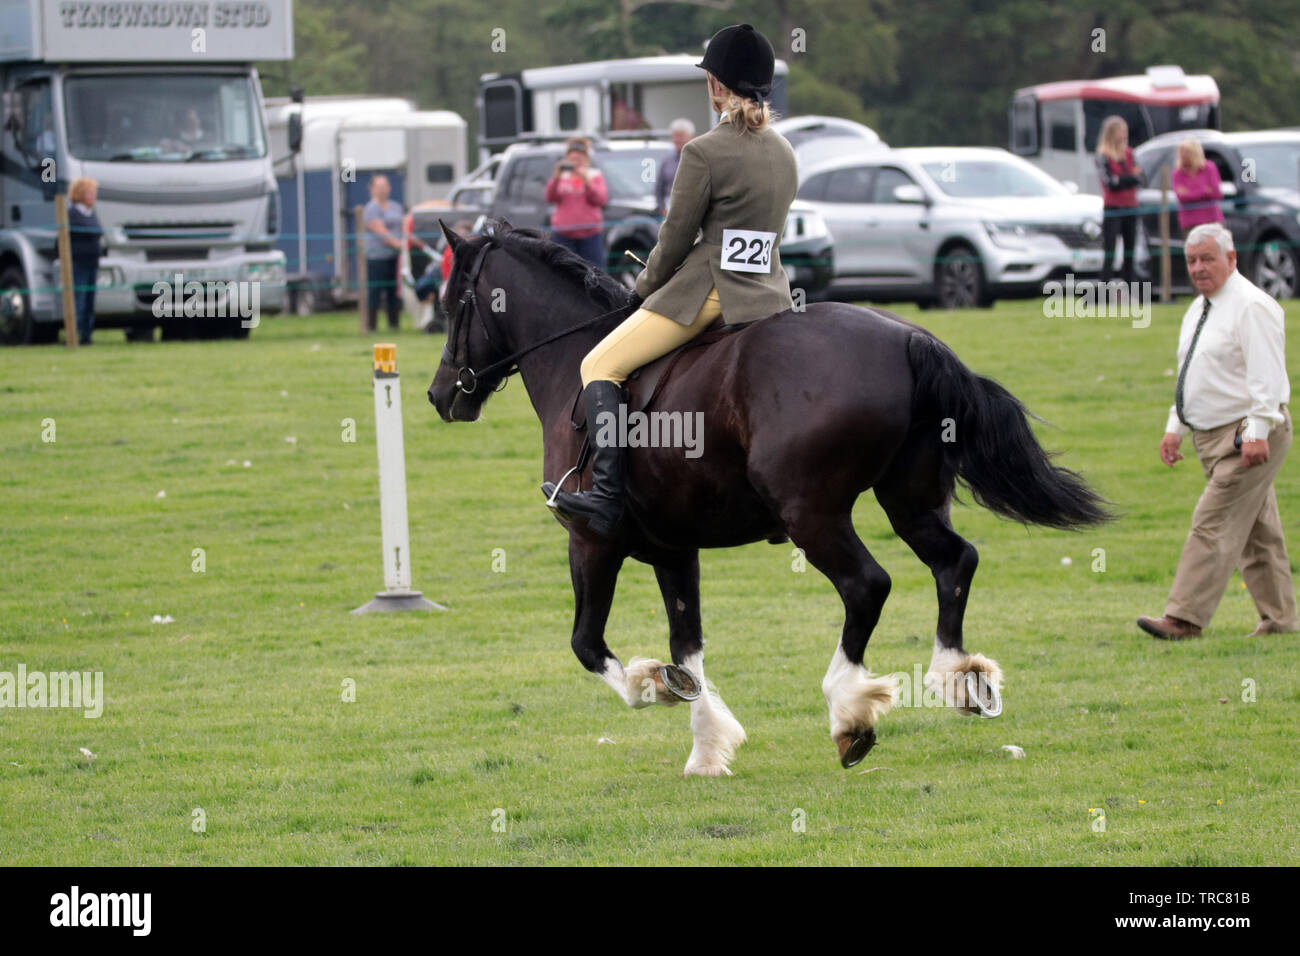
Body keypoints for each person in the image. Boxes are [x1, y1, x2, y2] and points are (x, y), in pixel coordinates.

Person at [543, 23, 797, 539]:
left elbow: (676, 238)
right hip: (767, 293)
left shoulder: (703, 152)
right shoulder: (785, 152)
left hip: (707, 294)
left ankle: (607, 497)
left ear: (718, 85)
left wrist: (642, 288)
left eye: (710, 78)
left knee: (599, 363)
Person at [1137, 223, 1297, 640]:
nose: (1198, 268)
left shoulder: (1251, 305)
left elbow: (1267, 373)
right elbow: (1195, 373)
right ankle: (1281, 622)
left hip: (1247, 432)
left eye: (1207, 258)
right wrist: (1177, 426)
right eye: (1191, 260)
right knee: (1258, 535)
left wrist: (1259, 429)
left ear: (1232, 259)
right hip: (1211, 436)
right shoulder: (1198, 308)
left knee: (1212, 522)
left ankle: (1184, 619)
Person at [544, 138, 608, 268]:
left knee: (594, 270)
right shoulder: (562, 177)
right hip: (563, 234)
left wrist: (586, 180)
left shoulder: (594, 175)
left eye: (579, 159)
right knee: (565, 271)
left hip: (590, 234)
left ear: (586, 159)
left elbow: (601, 199)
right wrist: (555, 178)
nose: (575, 163)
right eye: (572, 160)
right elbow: (550, 197)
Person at [1096, 116, 1142, 284]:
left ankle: (1130, 289)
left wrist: (1121, 179)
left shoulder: (1130, 153)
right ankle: (1104, 291)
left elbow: (1140, 178)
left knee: (1130, 252)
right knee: (1110, 252)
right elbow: (1110, 182)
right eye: (1120, 131)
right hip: (1113, 209)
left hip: (1131, 207)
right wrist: (1129, 178)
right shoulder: (1103, 156)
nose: (1124, 135)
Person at [363, 175, 405, 331]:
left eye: (385, 185)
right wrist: (399, 245)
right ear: (372, 189)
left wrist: (405, 245)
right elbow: (380, 231)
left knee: (393, 291)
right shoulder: (371, 209)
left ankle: (394, 325)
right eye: (379, 186)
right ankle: (371, 326)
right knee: (375, 292)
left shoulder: (396, 207)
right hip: (376, 257)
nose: (382, 189)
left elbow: (404, 226)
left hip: (394, 257)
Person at [67, 177, 103, 346]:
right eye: (90, 192)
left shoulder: (91, 213)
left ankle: (87, 335)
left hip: (92, 263)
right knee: (79, 299)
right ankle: (75, 334)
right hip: (78, 263)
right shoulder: (72, 214)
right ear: (80, 194)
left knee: (90, 300)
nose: (93, 196)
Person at [1171, 137, 1224, 234]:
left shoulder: (1209, 167)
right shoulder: (1177, 173)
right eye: (1181, 152)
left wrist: (1190, 193)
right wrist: (1204, 191)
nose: (1183, 155)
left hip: (1211, 220)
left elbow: (1217, 193)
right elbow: (1181, 197)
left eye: (1186, 152)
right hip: (1190, 223)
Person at [656, 118, 696, 218]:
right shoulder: (667, 160)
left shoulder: (699, 159)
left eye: (681, 136)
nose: (678, 140)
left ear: (691, 137)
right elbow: (659, 189)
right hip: (671, 210)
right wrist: (663, 210)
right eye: (675, 136)